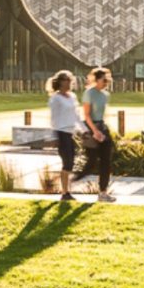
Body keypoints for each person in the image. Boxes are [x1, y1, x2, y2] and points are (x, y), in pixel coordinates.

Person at [79, 65, 117, 203]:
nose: (106, 83)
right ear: (96, 80)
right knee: (92, 162)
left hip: (102, 127)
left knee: (106, 161)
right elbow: (87, 115)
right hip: (91, 128)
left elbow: (102, 114)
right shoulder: (89, 93)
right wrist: (95, 131)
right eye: (104, 80)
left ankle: (103, 193)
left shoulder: (105, 95)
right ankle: (72, 180)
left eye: (107, 80)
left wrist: (103, 130)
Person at [45, 70, 82, 202]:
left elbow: (77, 116)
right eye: (66, 80)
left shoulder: (72, 96)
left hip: (71, 133)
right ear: (60, 82)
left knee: (71, 163)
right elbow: (53, 118)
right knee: (67, 163)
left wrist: (84, 131)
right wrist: (53, 136)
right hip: (61, 133)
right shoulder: (56, 98)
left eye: (70, 79)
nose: (69, 82)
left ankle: (65, 189)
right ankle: (65, 193)